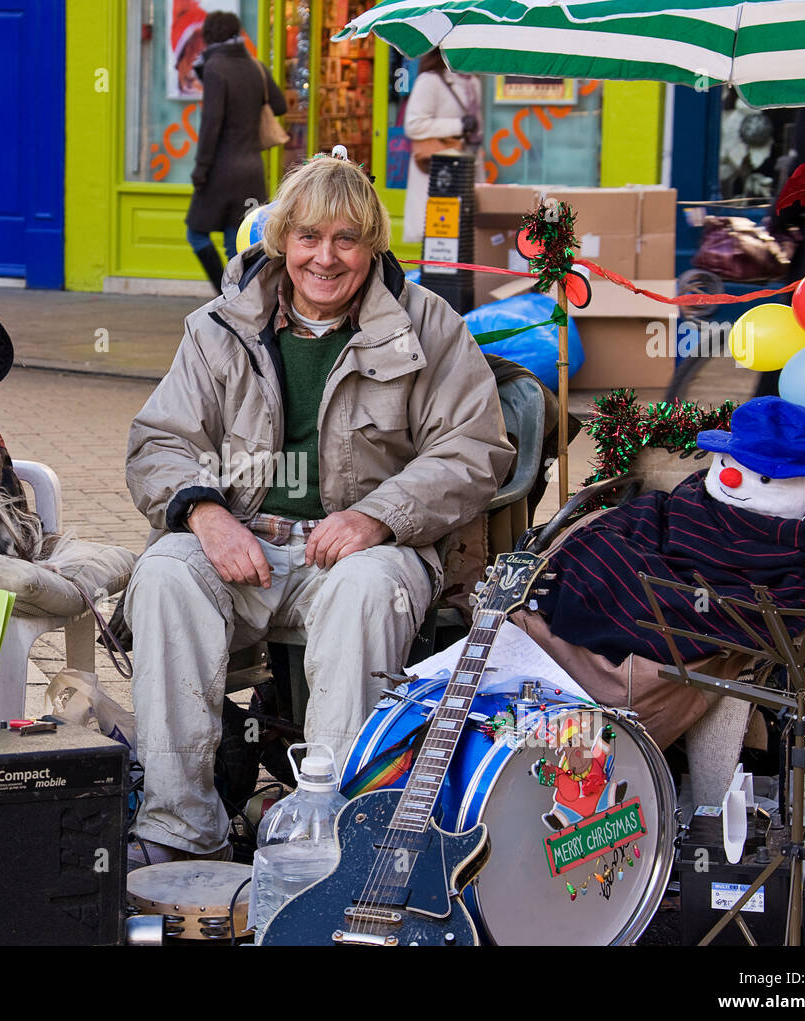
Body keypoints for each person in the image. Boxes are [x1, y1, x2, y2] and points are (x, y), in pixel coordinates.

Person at [125, 154, 515, 862]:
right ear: (281, 243)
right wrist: (206, 516)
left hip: (368, 555)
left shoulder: (427, 327)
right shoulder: (219, 327)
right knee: (163, 577)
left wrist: (378, 515)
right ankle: (179, 829)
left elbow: (476, 449)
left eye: (345, 240)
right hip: (244, 543)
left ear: (373, 245)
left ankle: (329, 834)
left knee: (363, 593)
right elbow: (160, 441)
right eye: (307, 237)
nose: (324, 258)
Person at [185, 10, 287, 293]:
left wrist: (200, 169)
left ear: (208, 36)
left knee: (196, 234)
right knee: (236, 242)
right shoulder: (254, 65)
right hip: (251, 168)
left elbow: (211, 124)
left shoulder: (216, 67)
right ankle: (239, 296)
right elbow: (279, 105)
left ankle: (226, 294)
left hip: (221, 169)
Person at [401, 51, 483, 244]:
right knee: (440, 232)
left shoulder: (473, 83)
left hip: (467, 164)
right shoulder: (430, 81)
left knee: (464, 235)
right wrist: (459, 125)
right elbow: (413, 125)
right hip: (438, 168)